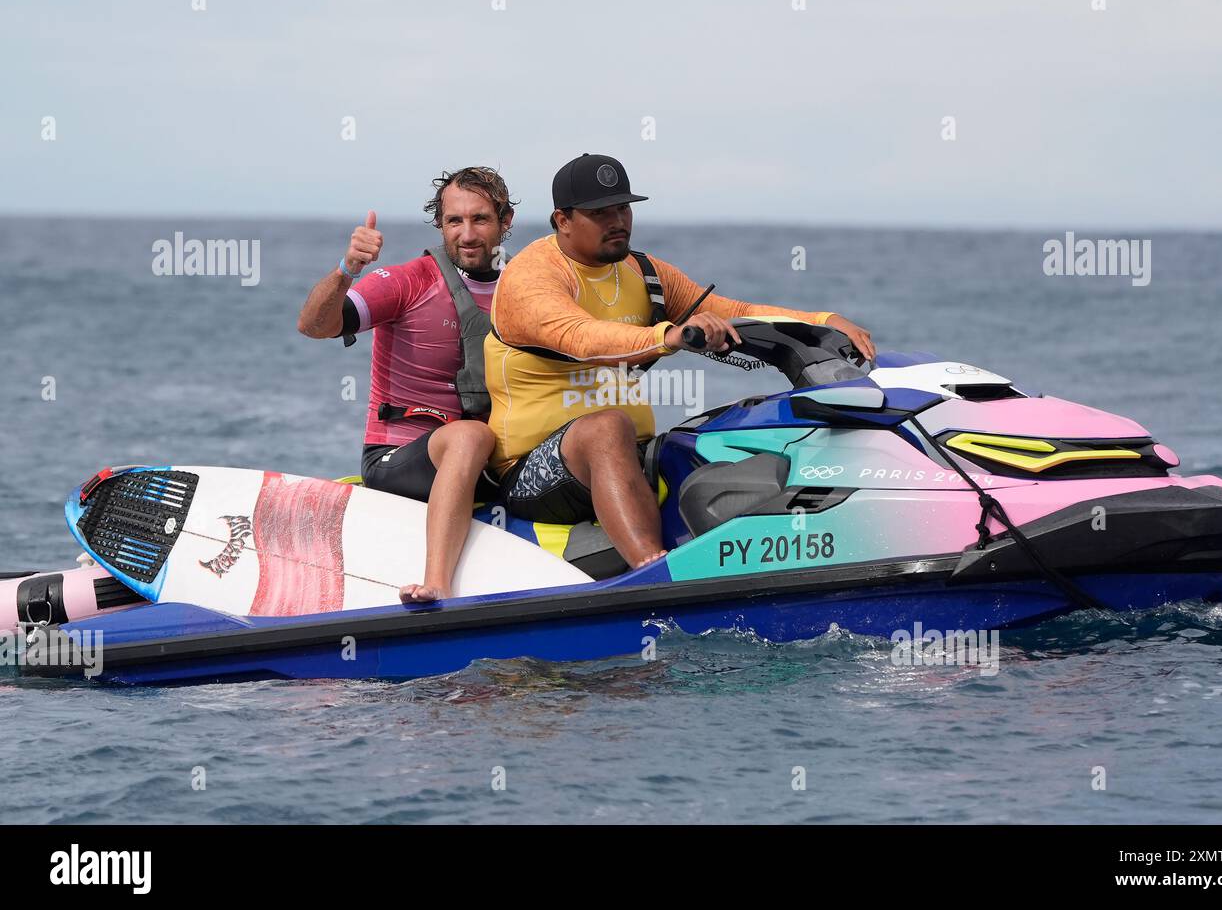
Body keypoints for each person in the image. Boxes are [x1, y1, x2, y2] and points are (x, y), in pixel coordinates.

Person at [484, 154, 876, 569]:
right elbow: (580, 338)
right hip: (530, 472)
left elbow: (733, 309)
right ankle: (652, 573)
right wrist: (667, 336)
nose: (618, 220)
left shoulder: (644, 272)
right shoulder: (530, 276)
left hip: (633, 452)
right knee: (607, 426)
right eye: (600, 213)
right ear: (563, 220)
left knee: (728, 431)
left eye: (623, 208)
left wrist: (820, 321)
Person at [297, 167, 516, 601]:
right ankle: (437, 583)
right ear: (440, 224)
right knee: (470, 436)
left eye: (480, 219)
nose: (467, 234)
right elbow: (314, 325)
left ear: (505, 222)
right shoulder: (411, 280)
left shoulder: (524, 285)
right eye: (455, 221)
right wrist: (347, 269)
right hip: (398, 457)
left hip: (491, 461)